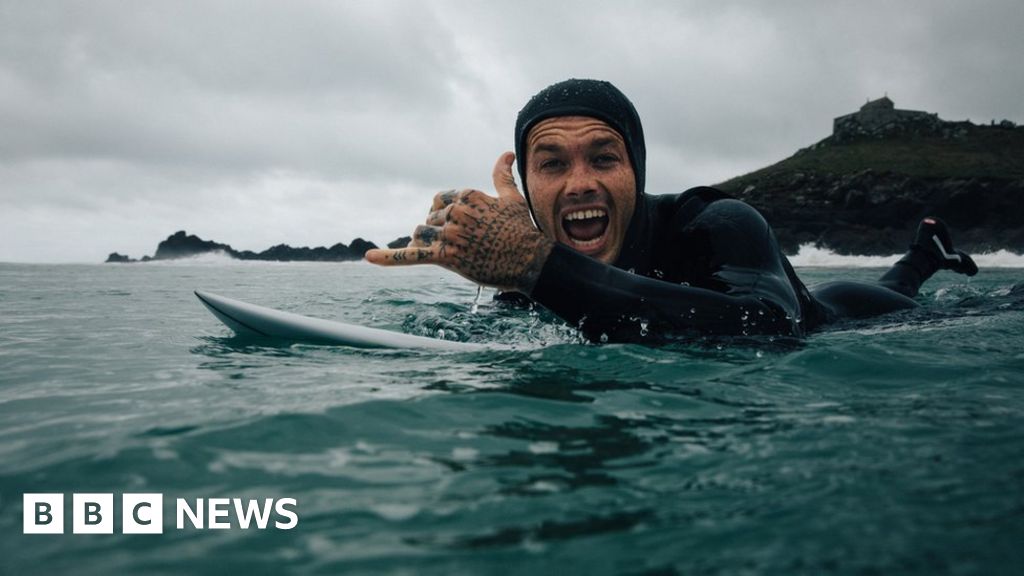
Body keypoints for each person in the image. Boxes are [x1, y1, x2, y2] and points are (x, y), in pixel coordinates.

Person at [365, 79, 978, 342]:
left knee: (922, 300)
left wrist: (533, 264)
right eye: (551, 164)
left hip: (847, 313)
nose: (580, 184)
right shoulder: (538, 262)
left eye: (603, 158)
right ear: (526, 185)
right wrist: (517, 279)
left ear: (636, 170)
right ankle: (926, 253)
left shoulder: (716, 223)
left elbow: (769, 327)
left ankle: (923, 258)